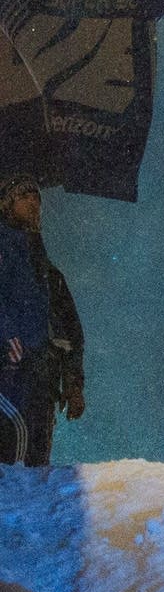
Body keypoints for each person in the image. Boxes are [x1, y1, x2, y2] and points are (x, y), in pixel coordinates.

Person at [0, 173, 84, 466]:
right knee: (14, 461)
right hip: (12, 370)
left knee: (35, 460)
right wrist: (8, 335)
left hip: (41, 375)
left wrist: (74, 384)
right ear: (6, 205)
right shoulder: (6, 247)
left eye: (36, 196)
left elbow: (71, 330)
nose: (33, 201)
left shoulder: (47, 272)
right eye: (24, 196)